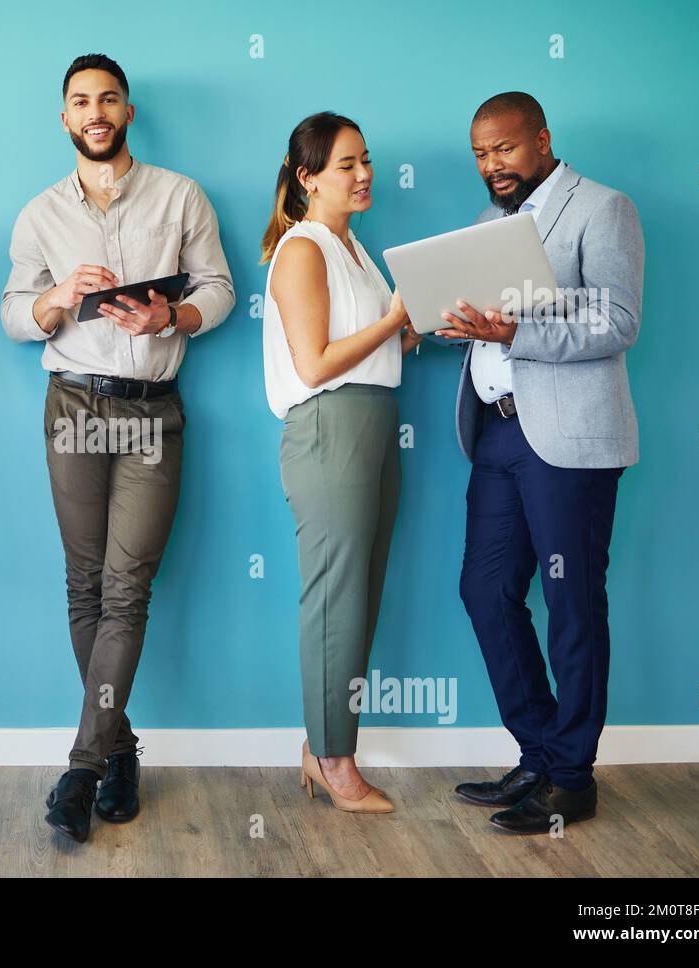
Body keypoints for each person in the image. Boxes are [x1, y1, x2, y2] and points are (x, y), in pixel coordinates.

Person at [1, 53, 235, 843]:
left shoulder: (181, 195)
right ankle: (121, 749)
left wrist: (171, 319)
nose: (94, 112)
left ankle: (81, 767)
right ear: (64, 118)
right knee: (86, 585)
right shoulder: (39, 213)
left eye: (108, 99)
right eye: (79, 102)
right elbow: (9, 313)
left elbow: (221, 290)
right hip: (73, 401)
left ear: (128, 112)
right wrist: (57, 299)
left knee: (127, 586)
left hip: (150, 413)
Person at [435, 92, 643, 834]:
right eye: (481, 154)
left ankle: (572, 777)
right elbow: (484, 324)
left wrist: (514, 328)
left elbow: (618, 321)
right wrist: (456, 322)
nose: (493, 165)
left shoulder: (603, 208)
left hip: (569, 440)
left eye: (505, 149)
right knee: (486, 591)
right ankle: (539, 752)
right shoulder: (490, 224)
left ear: (543, 140)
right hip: (495, 434)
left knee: (572, 604)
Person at [260, 112, 422, 815]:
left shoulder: (356, 249)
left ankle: (323, 748)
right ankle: (333, 759)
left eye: (366, 161)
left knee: (361, 595)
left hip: (376, 422)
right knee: (336, 600)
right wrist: (391, 321)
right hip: (331, 430)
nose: (364, 175)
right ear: (308, 178)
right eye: (347, 164)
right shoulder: (303, 248)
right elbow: (316, 362)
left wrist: (413, 328)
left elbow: (372, 349)